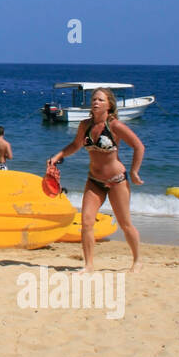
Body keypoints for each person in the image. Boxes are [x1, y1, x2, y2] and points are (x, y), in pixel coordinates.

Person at [47, 88, 145, 272]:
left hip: (117, 180)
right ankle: (89, 265)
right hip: (94, 181)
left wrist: (134, 172)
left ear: (109, 105)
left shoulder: (115, 126)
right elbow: (75, 145)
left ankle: (137, 261)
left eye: (100, 100)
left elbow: (138, 146)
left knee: (125, 224)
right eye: (94, 99)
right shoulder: (85, 125)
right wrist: (58, 156)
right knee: (86, 222)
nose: (96, 102)